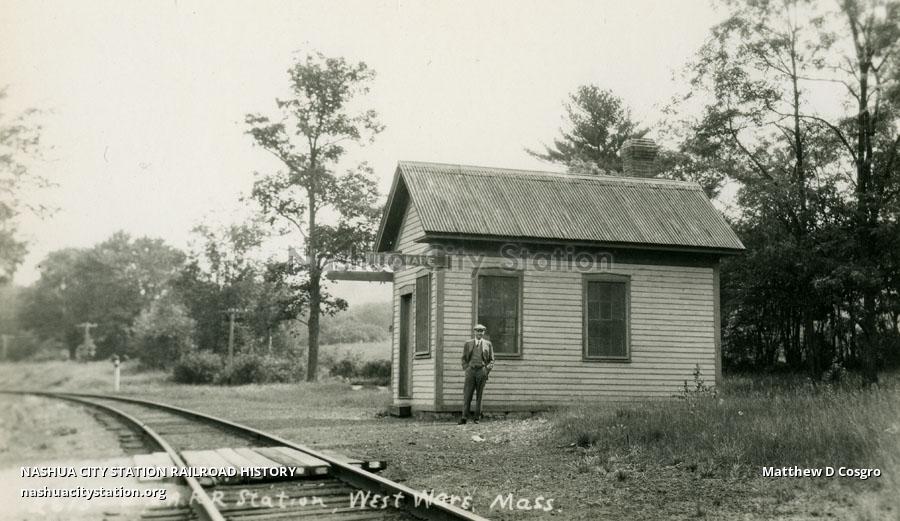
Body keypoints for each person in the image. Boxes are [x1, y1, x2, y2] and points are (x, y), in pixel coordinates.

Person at [459, 324, 494, 424]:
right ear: (474, 332)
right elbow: (463, 358)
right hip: (471, 371)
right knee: (467, 394)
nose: (479, 333)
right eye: (478, 331)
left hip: (481, 371)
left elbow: (492, 360)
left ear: (484, 332)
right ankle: (464, 417)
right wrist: (467, 368)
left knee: (480, 395)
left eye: (481, 331)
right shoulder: (468, 344)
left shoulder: (488, 344)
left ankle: (477, 418)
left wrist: (486, 370)